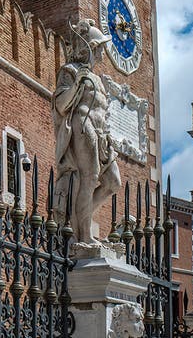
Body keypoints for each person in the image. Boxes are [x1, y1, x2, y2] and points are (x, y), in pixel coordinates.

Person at [53, 19, 121, 244]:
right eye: (99, 48)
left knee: (113, 182)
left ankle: (78, 217)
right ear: (89, 48)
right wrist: (76, 84)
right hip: (83, 126)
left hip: (102, 133)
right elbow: (61, 105)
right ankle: (84, 235)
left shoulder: (98, 79)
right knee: (89, 179)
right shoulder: (69, 71)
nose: (102, 53)